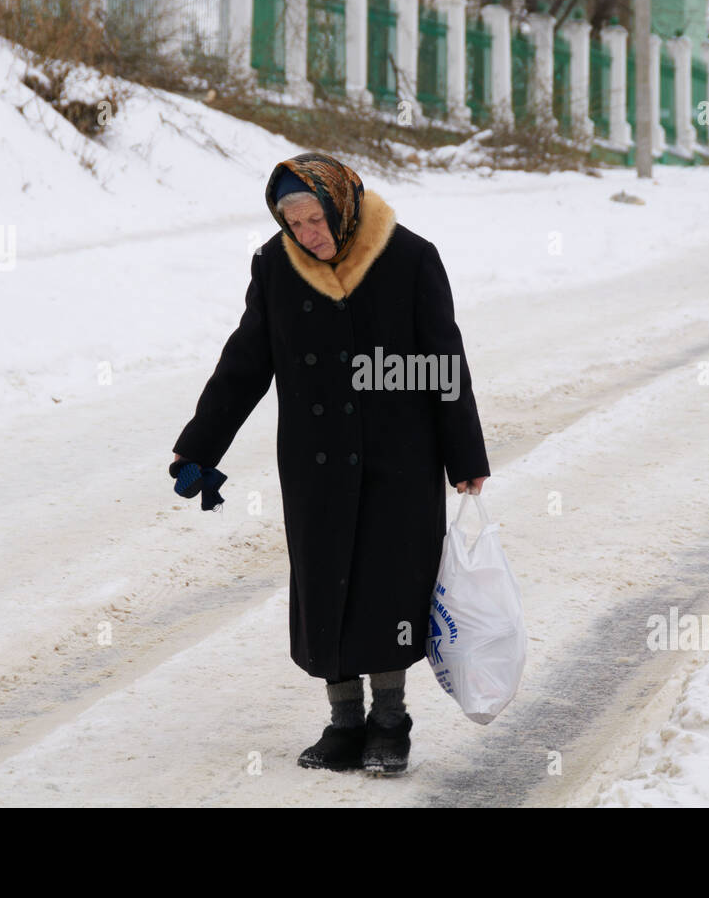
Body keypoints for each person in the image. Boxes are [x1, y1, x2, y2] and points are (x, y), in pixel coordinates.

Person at [169, 152, 490, 775]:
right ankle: (344, 723)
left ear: (340, 205)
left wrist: (464, 456)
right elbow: (245, 363)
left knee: (389, 583)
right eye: (294, 224)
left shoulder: (409, 257)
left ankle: (390, 723)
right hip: (316, 465)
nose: (307, 235)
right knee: (327, 585)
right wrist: (199, 446)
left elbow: (445, 364)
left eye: (316, 220)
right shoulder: (275, 266)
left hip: (398, 457)